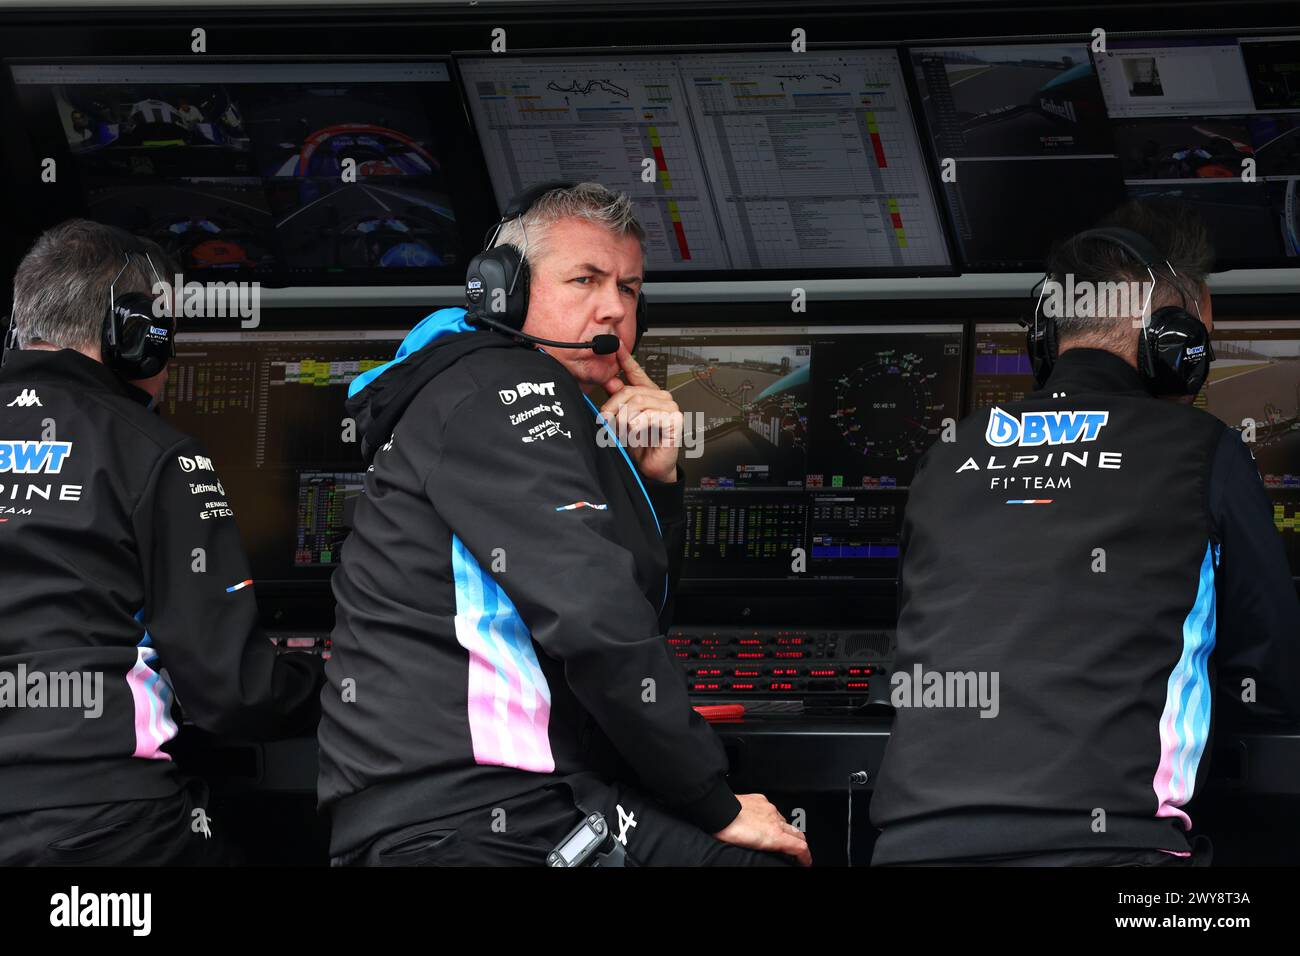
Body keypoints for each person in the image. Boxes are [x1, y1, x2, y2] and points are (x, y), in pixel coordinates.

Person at [319, 181, 810, 866]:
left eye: (631, 289)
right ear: (504, 291)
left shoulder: (484, 392)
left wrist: (654, 480)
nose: (613, 307)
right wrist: (713, 800)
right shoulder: (503, 385)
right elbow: (593, 615)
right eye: (585, 279)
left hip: (479, 805)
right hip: (481, 813)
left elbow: (623, 606)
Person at [870, 201, 1300, 866]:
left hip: (908, 849)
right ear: (1171, 342)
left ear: (1047, 335)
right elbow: (1271, 671)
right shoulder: (1201, 448)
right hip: (1113, 854)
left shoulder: (949, 452)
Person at [0, 219, 322, 865]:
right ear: (135, 334)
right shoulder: (152, 451)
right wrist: (343, 677)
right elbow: (234, 694)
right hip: (92, 815)